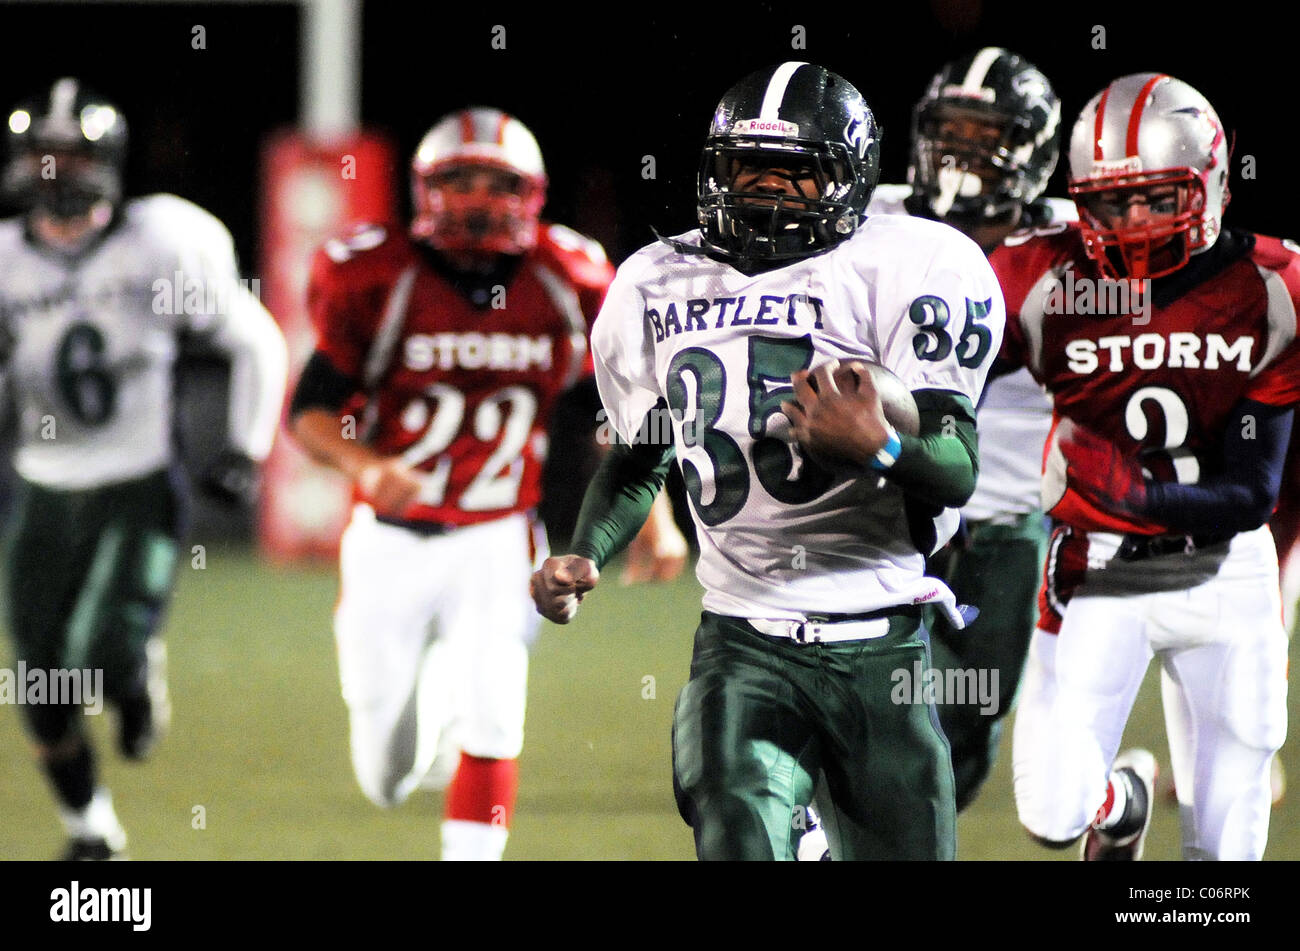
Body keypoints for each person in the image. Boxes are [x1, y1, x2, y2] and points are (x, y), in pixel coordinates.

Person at [531, 62, 1004, 860]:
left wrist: (881, 446)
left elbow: (957, 466)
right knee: (736, 829)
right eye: (749, 168)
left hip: (881, 640)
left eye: (797, 175)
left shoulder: (910, 265)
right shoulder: (654, 281)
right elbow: (639, 455)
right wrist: (584, 548)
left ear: (849, 182)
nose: (768, 191)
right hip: (742, 638)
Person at [288, 106, 684, 861]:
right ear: (424, 191)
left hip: (499, 535)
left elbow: (611, 410)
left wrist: (656, 513)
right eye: (458, 181)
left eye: (495, 183)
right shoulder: (377, 275)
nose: (475, 200)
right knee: (386, 770)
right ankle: (433, 686)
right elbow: (309, 409)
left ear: (530, 194)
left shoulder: (563, 276)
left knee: (496, 715)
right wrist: (366, 464)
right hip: (390, 543)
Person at [998, 73, 1299, 860]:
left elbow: (1255, 490)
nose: (1132, 223)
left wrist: (1135, 490)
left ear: (1211, 185)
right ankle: (1122, 801)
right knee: (1055, 812)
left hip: (1227, 570)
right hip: (1095, 568)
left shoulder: (1271, 286)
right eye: (1110, 202)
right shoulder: (1038, 277)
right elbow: (941, 376)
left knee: (1222, 861)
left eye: (1157, 198)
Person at [0, 78, 288, 860]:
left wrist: (246, 447)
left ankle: (131, 672)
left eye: (72, 155)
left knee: (101, 655)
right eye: (43, 155)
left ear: (106, 162)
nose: (56, 171)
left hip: (135, 480)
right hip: (41, 486)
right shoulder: (4, 260)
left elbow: (254, 339)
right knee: (39, 682)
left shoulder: (160, 240)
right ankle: (91, 830)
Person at [865, 46, 1068, 812]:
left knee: (965, 717)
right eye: (951, 132)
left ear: (1036, 152)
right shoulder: (869, 219)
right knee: (856, 703)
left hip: (1002, 519)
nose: (963, 155)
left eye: (990, 137)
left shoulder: (1078, 247)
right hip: (879, 500)